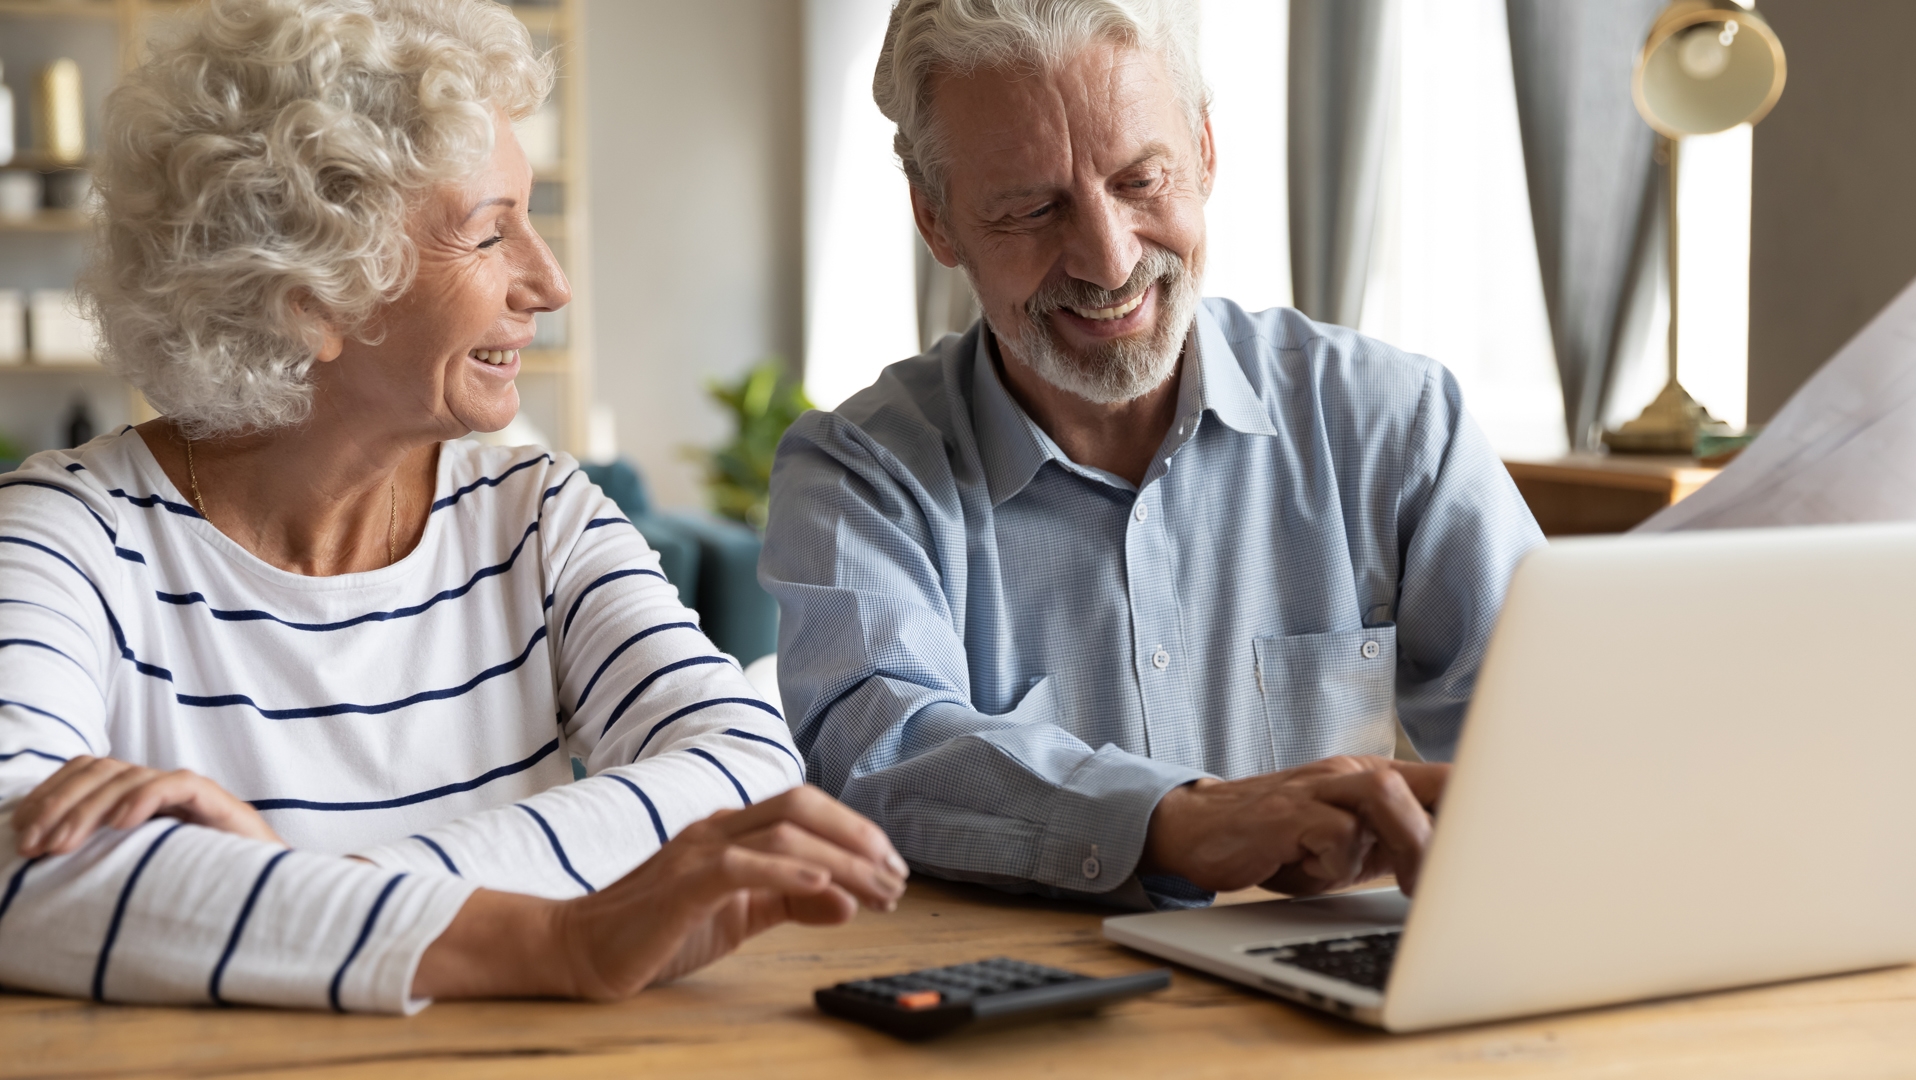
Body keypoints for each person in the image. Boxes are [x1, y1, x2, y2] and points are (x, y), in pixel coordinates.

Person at [0, 0, 905, 1013]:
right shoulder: (63, 537)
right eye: (491, 235)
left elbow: (746, 779)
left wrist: (290, 899)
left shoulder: (537, 518)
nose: (550, 282)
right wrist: (550, 943)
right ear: (315, 293)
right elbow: (15, 869)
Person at [760, 0, 1543, 911]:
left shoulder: (1394, 421)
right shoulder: (859, 477)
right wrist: (1181, 821)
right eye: (1031, 210)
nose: (1106, 258)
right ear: (938, 224)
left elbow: (1556, 733)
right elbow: (884, 753)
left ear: (1205, 152)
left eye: (1140, 181)